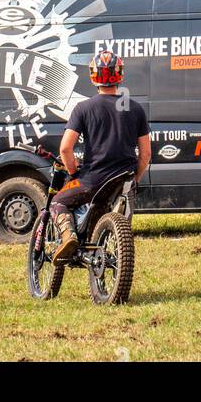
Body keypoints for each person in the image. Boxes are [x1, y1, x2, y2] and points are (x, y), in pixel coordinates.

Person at [50, 50, 151, 262]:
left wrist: (74, 173)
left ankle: (68, 237)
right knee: (122, 237)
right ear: (119, 75)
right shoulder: (136, 109)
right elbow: (146, 155)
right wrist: (134, 181)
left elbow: (65, 149)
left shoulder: (83, 108)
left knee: (58, 201)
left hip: (92, 180)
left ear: (93, 76)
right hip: (124, 179)